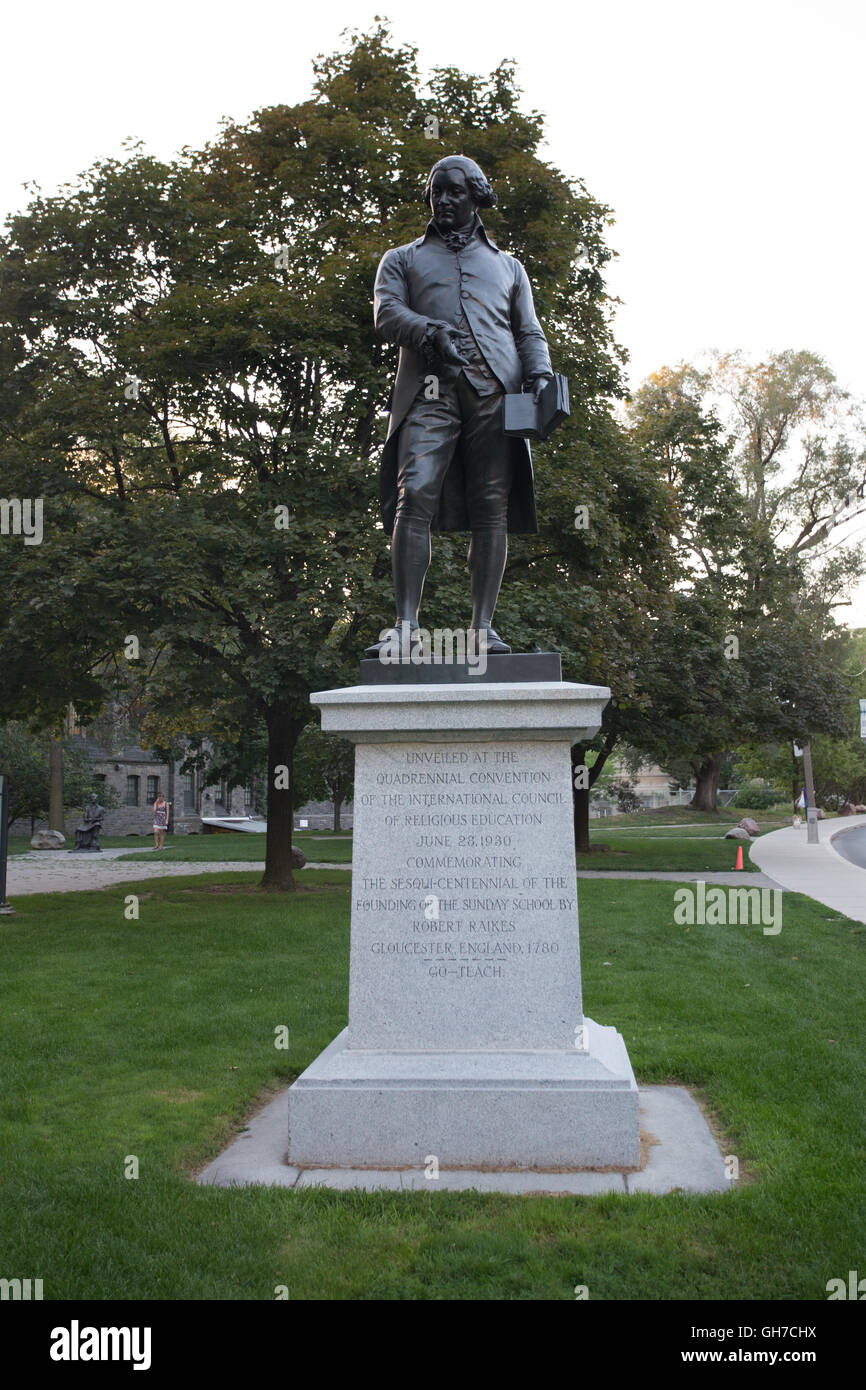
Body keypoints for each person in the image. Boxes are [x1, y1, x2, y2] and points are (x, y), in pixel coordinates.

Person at [366, 154, 553, 657]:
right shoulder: (401, 259)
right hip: (430, 391)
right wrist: (429, 330)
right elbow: (386, 314)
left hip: (496, 393)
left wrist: (538, 376)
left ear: (476, 197)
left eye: (454, 192)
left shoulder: (509, 267)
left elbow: (527, 331)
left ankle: (481, 630)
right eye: (435, 191)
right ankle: (406, 626)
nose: (443, 200)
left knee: (492, 505)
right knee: (416, 493)